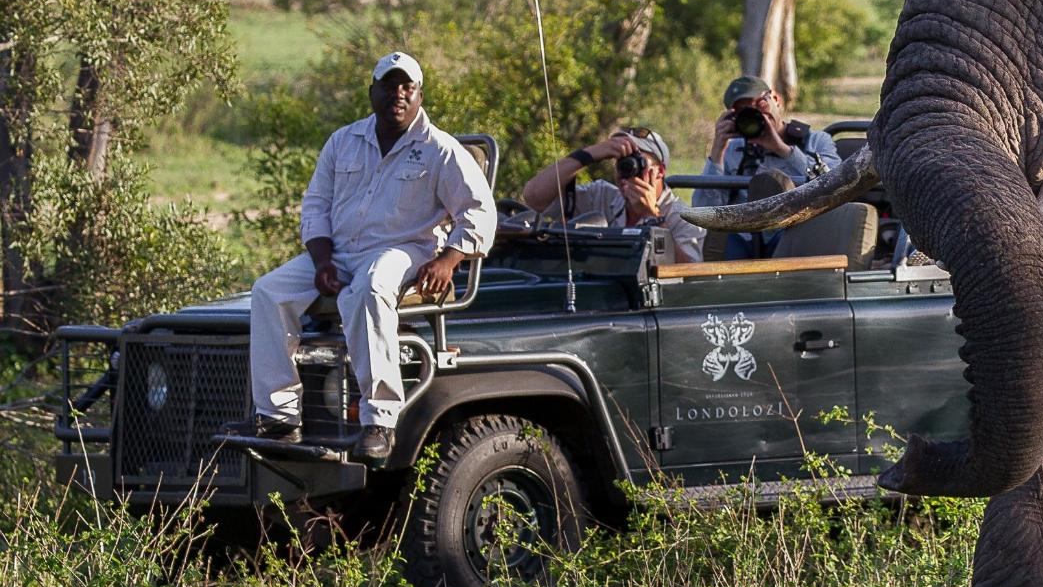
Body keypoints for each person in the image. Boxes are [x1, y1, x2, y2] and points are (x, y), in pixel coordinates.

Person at [223, 52, 497, 463]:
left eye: (408, 87)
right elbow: (315, 205)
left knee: (368, 288)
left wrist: (448, 260)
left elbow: (479, 211)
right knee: (267, 291)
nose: (398, 95)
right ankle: (280, 417)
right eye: (390, 86)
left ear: (420, 95)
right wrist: (321, 261)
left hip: (405, 249)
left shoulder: (441, 149)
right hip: (341, 252)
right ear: (372, 91)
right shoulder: (344, 140)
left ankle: (379, 421)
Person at [694, 76, 838, 259]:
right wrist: (717, 151)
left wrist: (782, 149)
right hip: (743, 238)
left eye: (760, 105)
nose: (757, 115)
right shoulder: (732, 150)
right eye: (745, 111)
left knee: (790, 239)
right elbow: (704, 210)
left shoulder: (816, 141)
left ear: (776, 100)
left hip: (795, 231)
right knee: (721, 242)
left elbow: (836, 187)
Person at [517, 125, 702, 262]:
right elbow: (534, 197)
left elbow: (692, 278)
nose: (626, 170)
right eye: (621, 162)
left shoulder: (683, 217)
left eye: (636, 162)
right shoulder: (602, 196)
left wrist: (654, 217)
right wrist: (587, 155)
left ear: (660, 171)